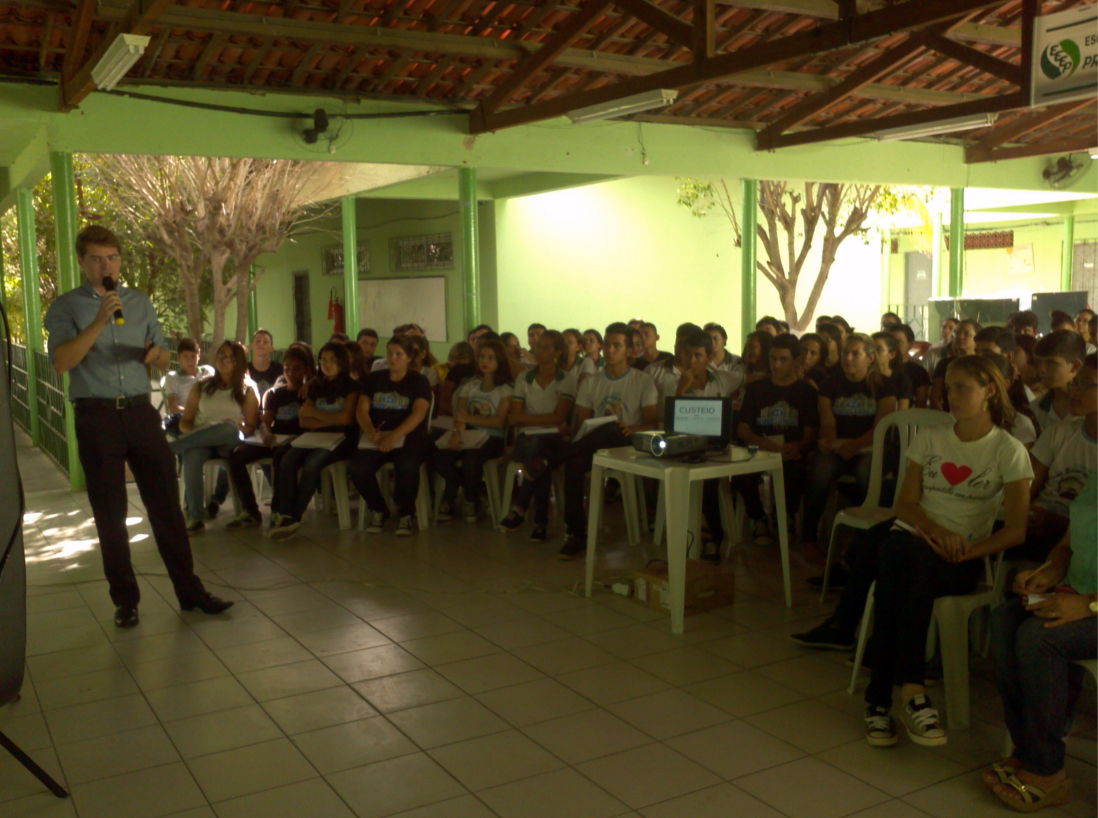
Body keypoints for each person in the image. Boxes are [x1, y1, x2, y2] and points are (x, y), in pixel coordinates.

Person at [43, 224, 232, 626]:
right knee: (110, 511)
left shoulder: (140, 303)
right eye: (96, 258)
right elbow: (61, 362)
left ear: (120, 260)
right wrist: (98, 321)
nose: (105, 265)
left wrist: (158, 356)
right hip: (96, 415)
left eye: (111, 257)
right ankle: (125, 600)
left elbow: (162, 358)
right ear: (82, 262)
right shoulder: (65, 307)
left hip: (140, 411)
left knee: (166, 503)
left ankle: (190, 591)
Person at [860, 355, 1031, 747]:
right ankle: (911, 692)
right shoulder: (931, 438)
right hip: (917, 538)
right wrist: (936, 532)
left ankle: (878, 701)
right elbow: (905, 504)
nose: (949, 396)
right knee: (907, 557)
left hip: (963, 559)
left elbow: (1017, 531)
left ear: (989, 390)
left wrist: (968, 552)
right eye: (948, 387)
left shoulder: (1008, 449)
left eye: (961, 388)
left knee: (896, 575)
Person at [987, 472, 1096, 813]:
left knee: (1040, 639)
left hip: (1091, 604)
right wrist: (1048, 573)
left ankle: (1047, 770)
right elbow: (1067, 545)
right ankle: (1027, 751)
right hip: (1079, 596)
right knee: (1006, 620)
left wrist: (1088, 604)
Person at [529, 323, 658, 560]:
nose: (609, 350)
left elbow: (653, 424)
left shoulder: (643, 381)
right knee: (576, 462)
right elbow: (582, 426)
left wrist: (631, 428)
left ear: (629, 350)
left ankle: (552, 457)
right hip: (594, 446)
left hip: (627, 444)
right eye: (607, 344)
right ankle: (576, 532)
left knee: (611, 426)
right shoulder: (591, 382)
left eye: (616, 346)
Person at [800, 333, 897, 562]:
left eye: (856, 353)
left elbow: (881, 428)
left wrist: (855, 445)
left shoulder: (884, 384)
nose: (848, 358)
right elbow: (827, 421)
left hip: (873, 445)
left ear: (870, 358)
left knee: (866, 472)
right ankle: (809, 538)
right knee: (819, 470)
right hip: (840, 445)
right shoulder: (830, 383)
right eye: (845, 352)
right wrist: (827, 439)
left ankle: (866, 539)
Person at [269, 341, 360, 540]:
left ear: (342, 362)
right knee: (288, 459)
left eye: (332, 360)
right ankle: (285, 512)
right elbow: (303, 420)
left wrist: (316, 414)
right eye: (323, 360)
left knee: (312, 463)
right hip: (315, 435)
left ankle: (295, 515)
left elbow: (346, 420)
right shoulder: (317, 385)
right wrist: (326, 419)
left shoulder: (352, 386)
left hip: (343, 439)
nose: (327, 364)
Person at [734, 333, 818, 545]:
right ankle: (758, 517)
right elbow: (742, 429)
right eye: (772, 358)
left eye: (783, 359)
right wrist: (763, 443)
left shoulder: (805, 391)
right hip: (760, 447)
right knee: (742, 471)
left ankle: (787, 516)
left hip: (790, 450)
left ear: (795, 361)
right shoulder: (756, 389)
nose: (776, 364)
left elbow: (810, 434)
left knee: (796, 468)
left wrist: (798, 445)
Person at [348, 335, 433, 536]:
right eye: (389, 353)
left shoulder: (419, 381)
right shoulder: (374, 379)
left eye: (398, 354)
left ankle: (406, 514)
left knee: (407, 466)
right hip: (378, 435)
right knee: (357, 468)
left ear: (409, 358)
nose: (392, 358)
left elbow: (419, 413)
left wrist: (393, 437)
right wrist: (370, 430)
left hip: (408, 436)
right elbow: (362, 409)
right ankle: (379, 509)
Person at [1016, 354, 1097, 563]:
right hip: (1039, 522)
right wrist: (1023, 512)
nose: (1075, 391)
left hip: (1081, 537)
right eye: (1076, 382)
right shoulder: (1061, 432)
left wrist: (1059, 524)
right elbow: (1028, 486)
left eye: (1087, 384)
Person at [171, 340, 259, 534]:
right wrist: (198, 432)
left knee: (228, 428)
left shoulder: (248, 388)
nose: (224, 360)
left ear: (239, 363)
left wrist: (237, 426)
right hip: (202, 438)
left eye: (230, 358)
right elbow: (185, 421)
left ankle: (171, 449)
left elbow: (250, 428)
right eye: (222, 355)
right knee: (191, 454)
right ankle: (196, 518)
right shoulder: (201, 386)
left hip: (230, 441)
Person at [224, 344, 314, 531]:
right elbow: (266, 421)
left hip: (297, 441)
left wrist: (310, 383)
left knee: (281, 456)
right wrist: (265, 431)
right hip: (275, 438)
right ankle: (250, 510)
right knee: (237, 455)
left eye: (296, 368)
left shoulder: (309, 392)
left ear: (305, 370)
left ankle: (278, 509)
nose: (290, 372)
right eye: (287, 368)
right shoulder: (275, 393)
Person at [500, 331, 577, 541]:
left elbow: (559, 416)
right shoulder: (524, 378)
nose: (538, 350)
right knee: (538, 455)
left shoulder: (566, 379)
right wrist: (546, 420)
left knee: (538, 453)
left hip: (554, 440)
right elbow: (516, 417)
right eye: (538, 346)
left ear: (557, 352)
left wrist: (528, 418)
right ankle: (539, 523)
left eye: (545, 347)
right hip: (526, 440)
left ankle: (521, 509)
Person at [434, 337, 513, 523]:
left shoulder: (505, 389)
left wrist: (468, 418)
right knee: (441, 457)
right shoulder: (469, 386)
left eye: (491, 358)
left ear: (499, 361)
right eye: (482, 356)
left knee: (471, 459)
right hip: (468, 435)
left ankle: (469, 499)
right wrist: (456, 434)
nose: (485, 361)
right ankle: (475, 491)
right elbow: (459, 416)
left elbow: (499, 422)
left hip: (493, 438)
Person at [1030, 330, 1087, 432]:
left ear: (1075, 366)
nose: (1042, 369)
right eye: (1039, 362)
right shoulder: (1035, 409)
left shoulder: (1090, 410)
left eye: (1051, 363)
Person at [162, 337, 213, 433]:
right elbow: (173, 406)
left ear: (199, 356)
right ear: (178, 357)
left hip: (211, 417)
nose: (190, 361)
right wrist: (196, 413)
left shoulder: (208, 371)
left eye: (193, 356)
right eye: (185, 356)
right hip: (188, 420)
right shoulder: (173, 377)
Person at [930, 319, 980, 410]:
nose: (960, 337)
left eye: (966, 334)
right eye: (957, 333)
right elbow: (935, 398)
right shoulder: (944, 364)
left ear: (977, 338)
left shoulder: (982, 364)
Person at [887, 323, 930, 409]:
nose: (894, 346)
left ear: (910, 344)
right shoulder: (883, 369)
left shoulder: (918, 372)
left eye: (899, 342)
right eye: (891, 343)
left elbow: (920, 407)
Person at [872, 331, 912, 411]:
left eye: (879, 349)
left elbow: (901, 413)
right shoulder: (865, 377)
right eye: (871, 349)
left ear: (892, 354)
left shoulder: (901, 380)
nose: (873, 353)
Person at [247, 329, 283, 399]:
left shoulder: (280, 370)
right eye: (258, 341)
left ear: (271, 348)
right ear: (251, 346)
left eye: (265, 342)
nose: (261, 343)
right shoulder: (243, 370)